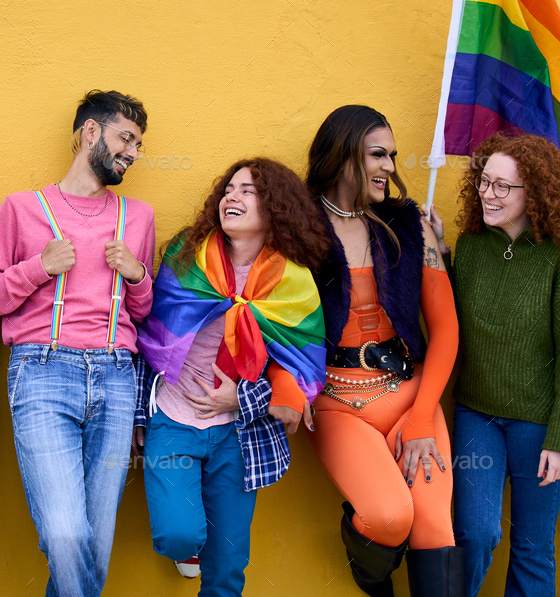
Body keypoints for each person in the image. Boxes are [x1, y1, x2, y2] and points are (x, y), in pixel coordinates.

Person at [135, 157, 330, 597]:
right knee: (178, 535)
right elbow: (151, 335)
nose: (232, 197)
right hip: (173, 417)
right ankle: (191, 546)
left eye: (248, 191)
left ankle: (212, 558)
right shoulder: (188, 255)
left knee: (227, 572)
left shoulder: (293, 284)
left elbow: (300, 372)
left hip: (238, 432)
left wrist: (240, 399)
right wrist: (136, 415)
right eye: (229, 189)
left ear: (275, 207)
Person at [0, 90, 156, 597]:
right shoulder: (21, 209)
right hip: (41, 372)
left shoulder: (140, 217)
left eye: (138, 144)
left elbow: (143, 314)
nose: (132, 152)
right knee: (67, 535)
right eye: (124, 138)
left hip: (116, 376)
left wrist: (136, 277)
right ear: (90, 132)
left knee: (99, 541)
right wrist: (38, 268)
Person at [305, 105, 463, 597]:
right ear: (343, 153)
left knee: (434, 524)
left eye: (391, 156)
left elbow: (446, 329)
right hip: (337, 402)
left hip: (409, 396)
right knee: (390, 516)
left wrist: (419, 419)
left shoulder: (408, 225)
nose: (390, 167)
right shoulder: (299, 226)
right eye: (378, 155)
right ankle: (372, 566)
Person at [428, 132, 560, 597]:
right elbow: (453, 321)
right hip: (478, 413)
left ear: (535, 194)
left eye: (503, 187)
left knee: (533, 547)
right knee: (473, 535)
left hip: (538, 425)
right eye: (484, 182)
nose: (487, 194)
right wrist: (439, 252)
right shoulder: (474, 245)